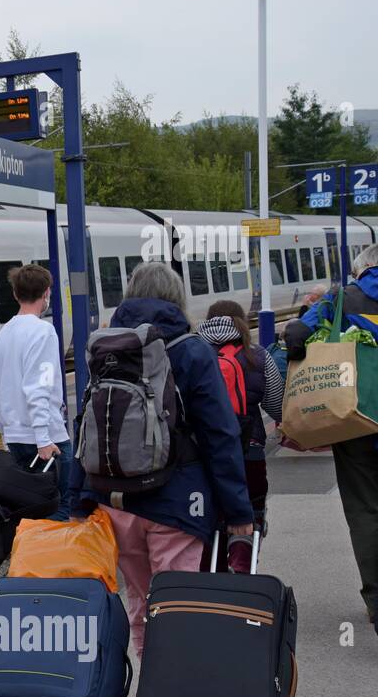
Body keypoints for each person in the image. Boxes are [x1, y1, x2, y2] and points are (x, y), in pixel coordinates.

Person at [71, 263, 254, 656]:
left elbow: (84, 423)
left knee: (141, 601)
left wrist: (75, 498)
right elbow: (220, 436)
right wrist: (239, 512)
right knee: (177, 606)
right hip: (176, 503)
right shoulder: (191, 350)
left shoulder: (104, 346)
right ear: (177, 299)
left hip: (116, 501)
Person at [285, 243, 378, 643]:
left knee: (365, 509)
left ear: (363, 269)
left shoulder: (343, 298)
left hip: (358, 422)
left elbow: (296, 335)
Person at [198, 300, 284, 571]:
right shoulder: (257, 355)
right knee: (250, 511)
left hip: (202, 452)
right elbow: (276, 403)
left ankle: (210, 578)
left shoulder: (193, 354)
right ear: (242, 322)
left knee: (208, 516)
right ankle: (242, 570)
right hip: (250, 448)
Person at [0, 263, 72, 519]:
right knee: (59, 509)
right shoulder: (43, 331)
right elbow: (40, 386)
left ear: (15, 294)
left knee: (28, 512)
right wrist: (44, 439)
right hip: (45, 438)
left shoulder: (4, 334)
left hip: (15, 438)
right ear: (47, 293)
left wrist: (5, 432)